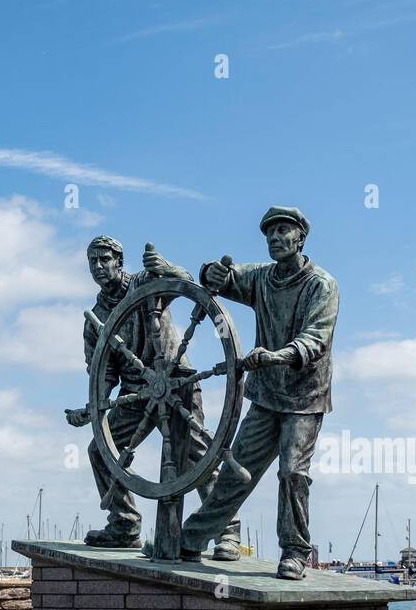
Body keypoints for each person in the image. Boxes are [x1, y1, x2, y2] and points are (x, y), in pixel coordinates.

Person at [178, 206, 339, 581]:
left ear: (301, 238)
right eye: (269, 234)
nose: (275, 239)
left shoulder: (322, 285)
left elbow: (315, 340)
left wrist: (276, 356)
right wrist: (210, 272)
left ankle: (295, 551)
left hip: (305, 398)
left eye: (284, 231)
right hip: (266, 395)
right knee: (238, 470)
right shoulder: (262, 278)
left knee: (292, 473)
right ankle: (193, 537)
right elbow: (223, 277)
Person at [65, 236, 240, 555]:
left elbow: (188, 286)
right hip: (135, 395)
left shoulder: (144, 283)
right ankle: (124, 525)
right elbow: (103, 375)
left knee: (197, 456)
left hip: (174, 383)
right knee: (100, 449)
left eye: (105, 260)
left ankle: (226, 531)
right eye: (93, 262)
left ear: (119, 261)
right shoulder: (95, 320)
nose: (99, 267)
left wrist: (169, 268)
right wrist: (93, 409)